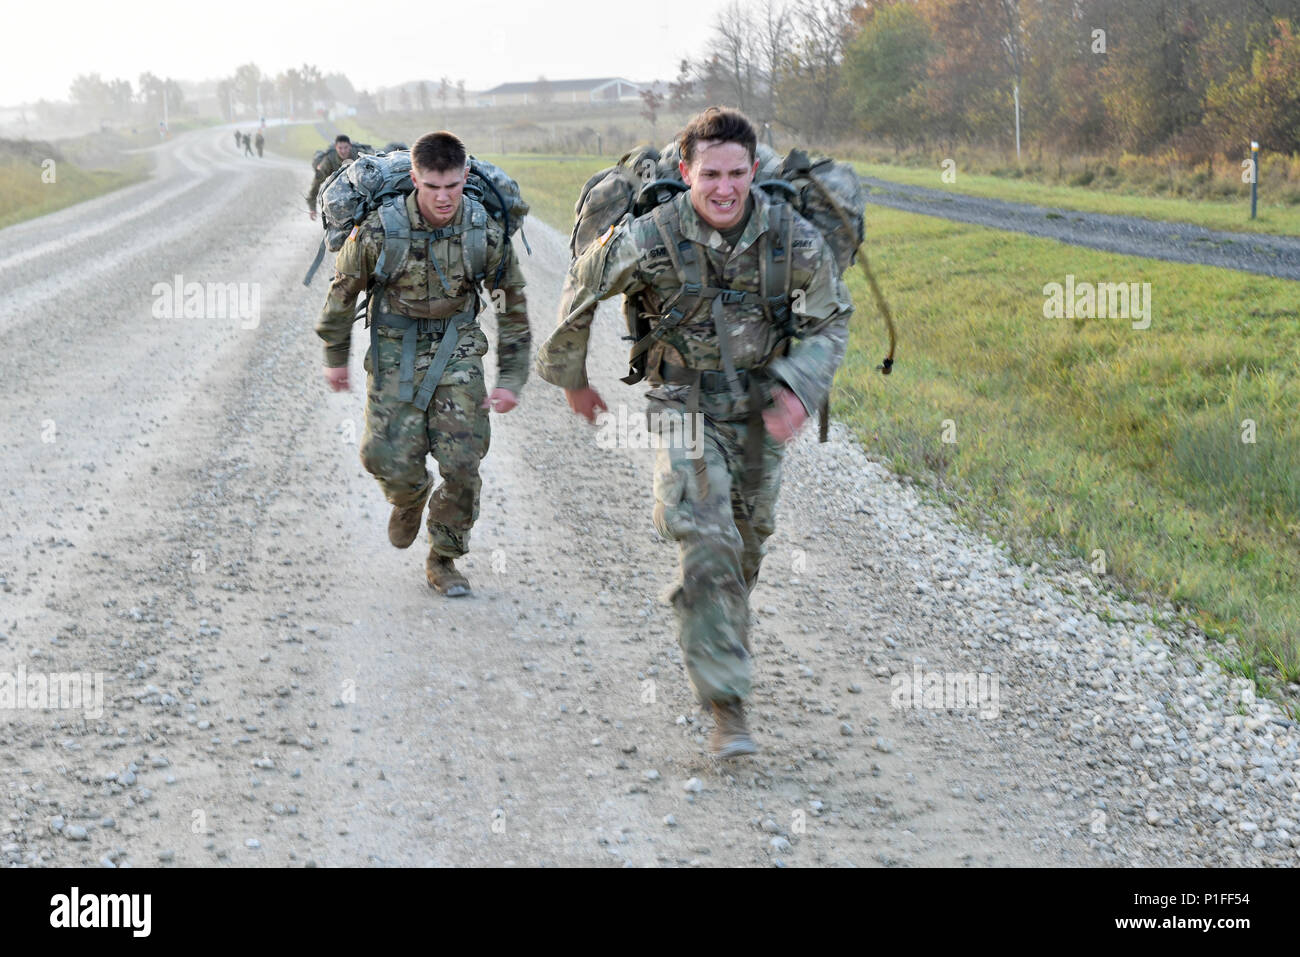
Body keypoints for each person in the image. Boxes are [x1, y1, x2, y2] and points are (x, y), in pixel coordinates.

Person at [535, 107, 851, 757]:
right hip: (684, 407)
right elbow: (583, 285)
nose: (726, 188)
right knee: (706, 541)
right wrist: (572, 378)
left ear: (754, 172)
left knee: (743, 552)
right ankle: (728, 705)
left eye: (738, 173)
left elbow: (830, 320)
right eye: (711, 174)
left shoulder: (790, 236)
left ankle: (718, 628)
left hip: (762, 408)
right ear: (687, 172)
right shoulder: (651, 236)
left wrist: (800, 389)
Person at [315, 131, 531, 595]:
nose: (444, 197)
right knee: (380, 455)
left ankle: (444, 558)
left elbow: (512, 306)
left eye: (452, 185)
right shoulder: (381, 229)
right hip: (395, 347)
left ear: (465, 177)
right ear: (414, 178)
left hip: (457, 347)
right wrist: (336, 356)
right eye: (432, 186)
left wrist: (511, 376)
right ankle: (410, 495)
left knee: (463, 461)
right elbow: (341, 292)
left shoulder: (482, 230)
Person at [306, 134, 355, 221]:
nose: (343, 151)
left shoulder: (358, 155)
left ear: (350, 146)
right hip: (336, 193)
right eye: (340, 148)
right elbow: (316, 183)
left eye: (346, 147)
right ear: (336, 147)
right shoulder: (329, 160)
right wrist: (312, 207)